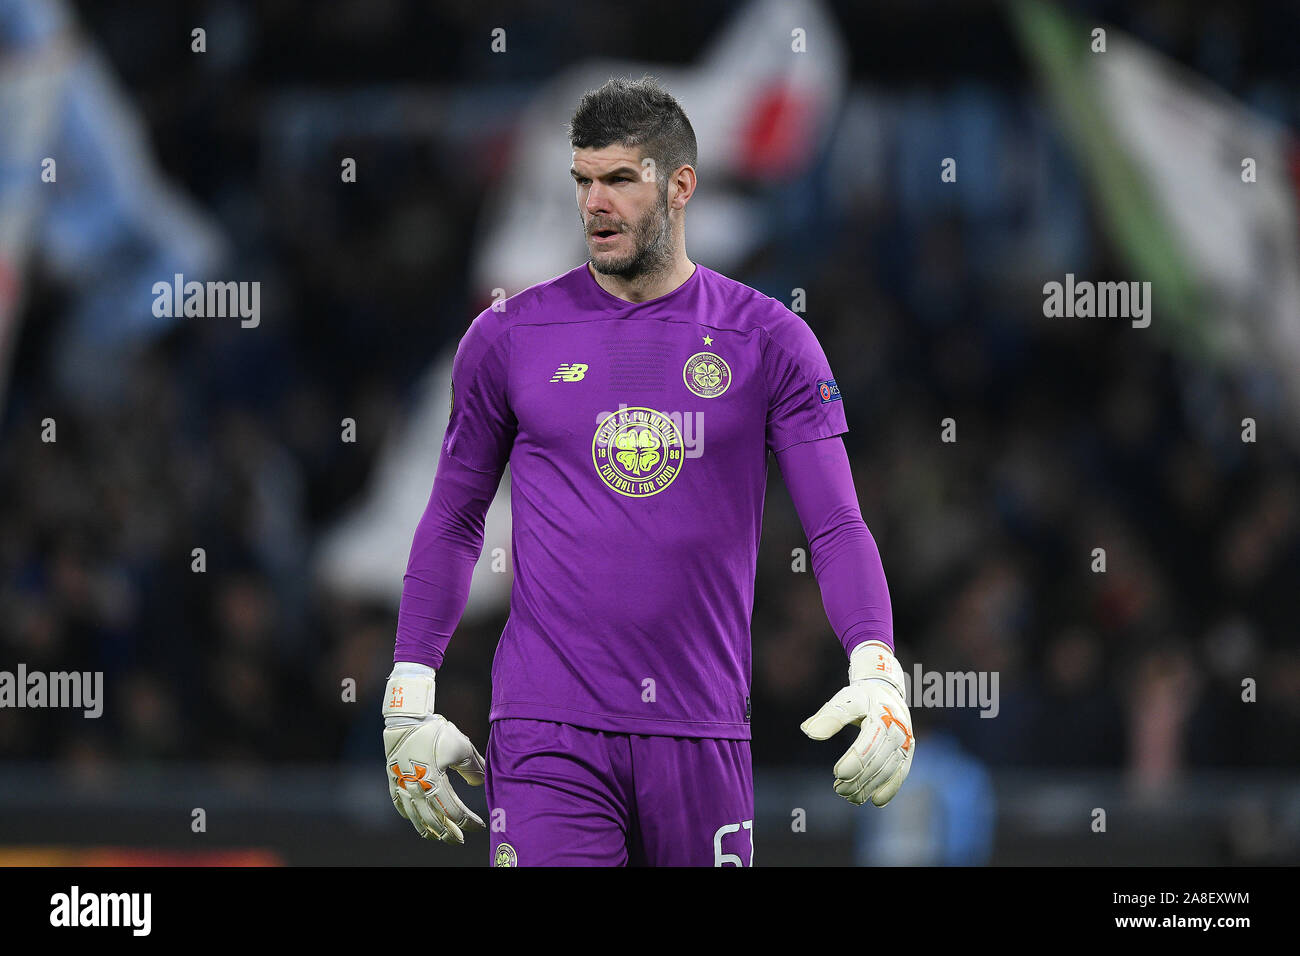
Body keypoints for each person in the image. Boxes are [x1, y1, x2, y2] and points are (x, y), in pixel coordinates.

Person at [381, 75, 912, 866]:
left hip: (701, 729)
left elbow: (835, 525)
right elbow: (455, 518)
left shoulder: (771, 343)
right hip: (545, 731)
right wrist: (408, 689)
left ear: (681, 185)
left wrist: (877, 668)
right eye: (583, 181)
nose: (595, 203)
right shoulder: (508, 337)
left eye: (621, 180)